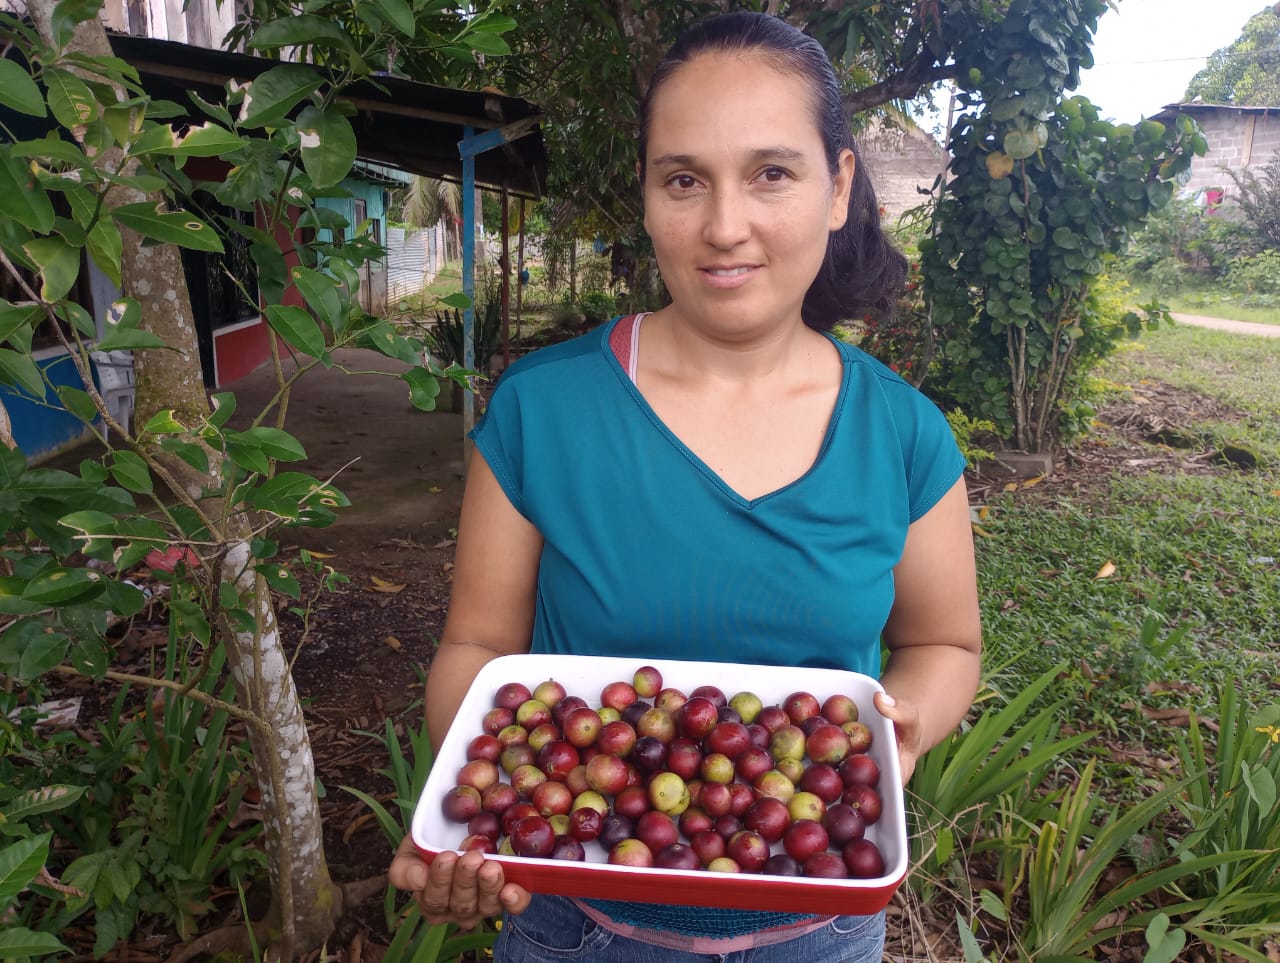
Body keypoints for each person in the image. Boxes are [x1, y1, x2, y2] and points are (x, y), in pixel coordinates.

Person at [390, 11, 982, 961]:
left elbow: (942, 642)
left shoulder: (904, 435)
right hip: (574, 922)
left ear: (838, 188)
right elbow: (479, 646)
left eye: (772, 173)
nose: (724, 226)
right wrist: (478, 801)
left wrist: (902, 728)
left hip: (822, 929)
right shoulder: (544, 411)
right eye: (683, 180)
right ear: (645, 194)